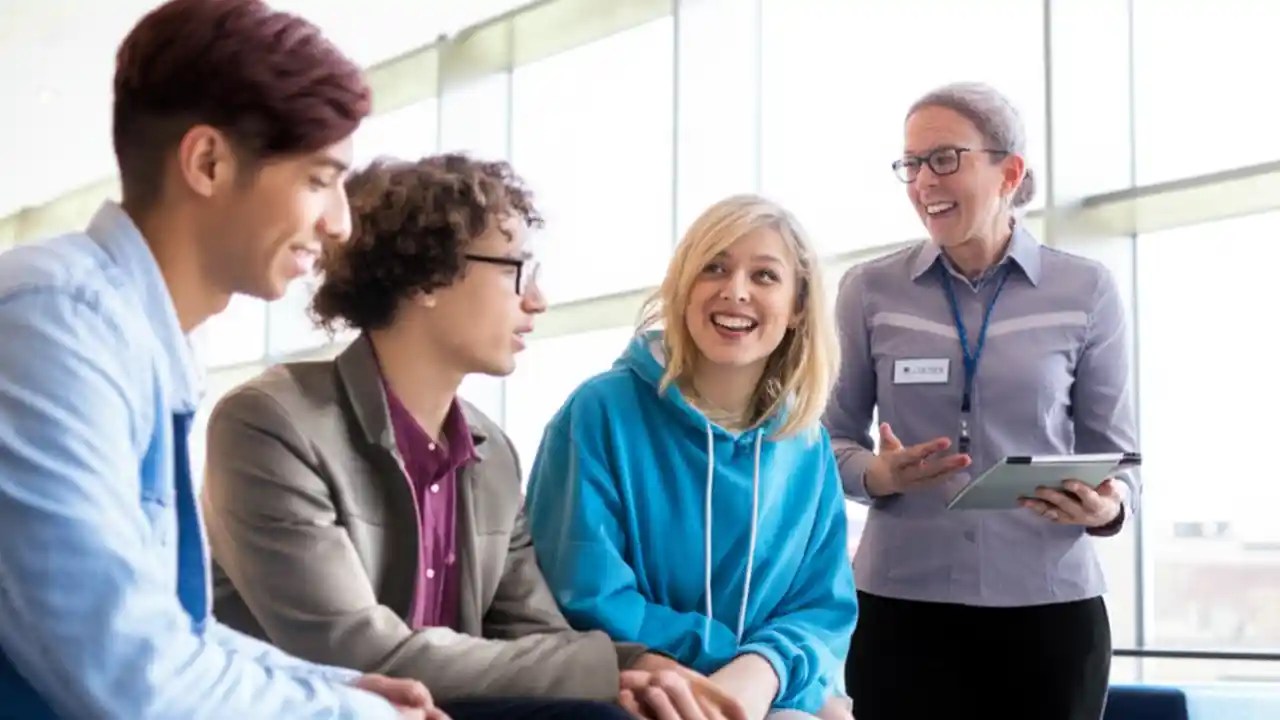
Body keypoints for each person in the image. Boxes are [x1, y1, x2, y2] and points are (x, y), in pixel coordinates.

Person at [0, 1, 444, 718]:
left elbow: (179, 634)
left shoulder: (136, 336)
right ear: (208, 162)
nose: (340, 223)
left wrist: (336, 689)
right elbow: (124, 671)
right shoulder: (56, 328)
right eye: (317, 180)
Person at [201, 154, 747, 720]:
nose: (537, 299)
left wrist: (642, 669)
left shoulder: (490, 453)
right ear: (428, 277)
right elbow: (355, 652)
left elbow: (537, 636)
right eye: (515, 269)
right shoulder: (269, 423)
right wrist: (610, 673)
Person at [824, 81, 1138, 720]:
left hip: (1050, 612)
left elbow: (1120, 458)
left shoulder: (1086, 288)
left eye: (944, 158)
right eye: (910, 164)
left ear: (1009, 172)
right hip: (900, 609)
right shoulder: (868, 290)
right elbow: (825, 442)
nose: (921, 182)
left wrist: (1106, 506)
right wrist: (876, 473)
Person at [524, 194, 859, 720]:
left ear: (797, 307)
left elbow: (822, 606)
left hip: (767, 695)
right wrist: (740, 667)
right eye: (714, 267)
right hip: (634, 684)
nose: (736, 291)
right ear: (683, 288)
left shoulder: (807, 444)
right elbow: (581, 592)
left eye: (765, 276)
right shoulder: (600, 413)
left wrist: (766, 672)